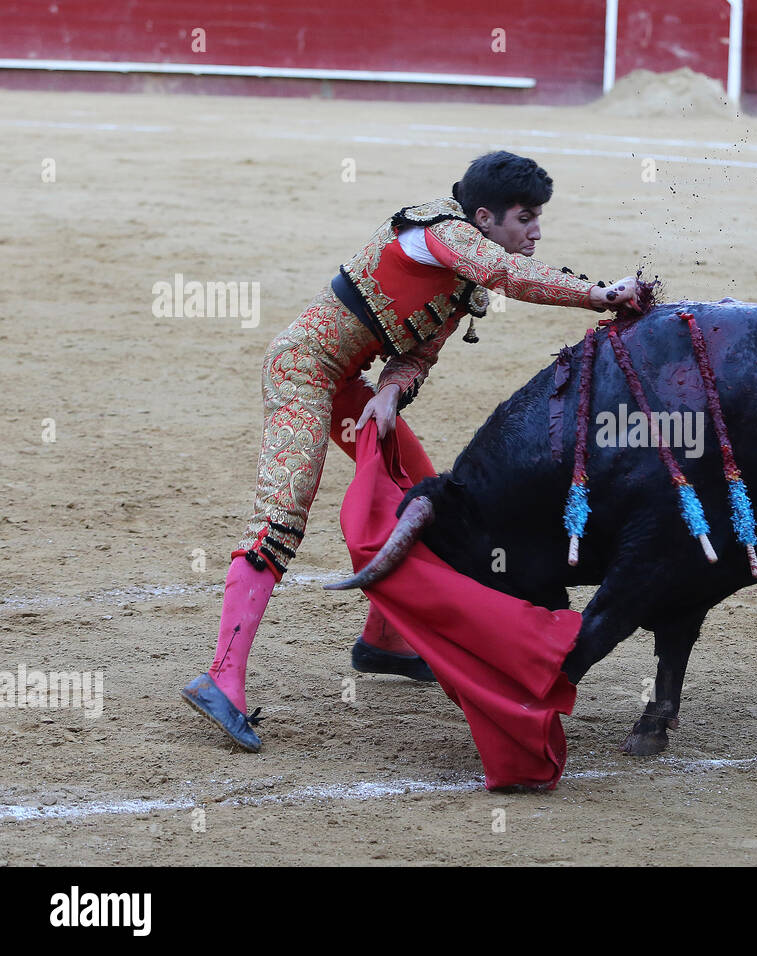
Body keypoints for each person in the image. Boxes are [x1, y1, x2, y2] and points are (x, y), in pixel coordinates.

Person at [182, 150, 643, 752]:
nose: (535, 230)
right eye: (525, 217)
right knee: (282, 514)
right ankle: (223, 677)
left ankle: (385, 643)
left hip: (350, 384)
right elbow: (513, 277)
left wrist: (392, 393)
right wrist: (601, 294)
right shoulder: (439, 235)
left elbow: (418, 352)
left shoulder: (465, 269)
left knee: (426, 503)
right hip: (301, 372)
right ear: (485, 217)